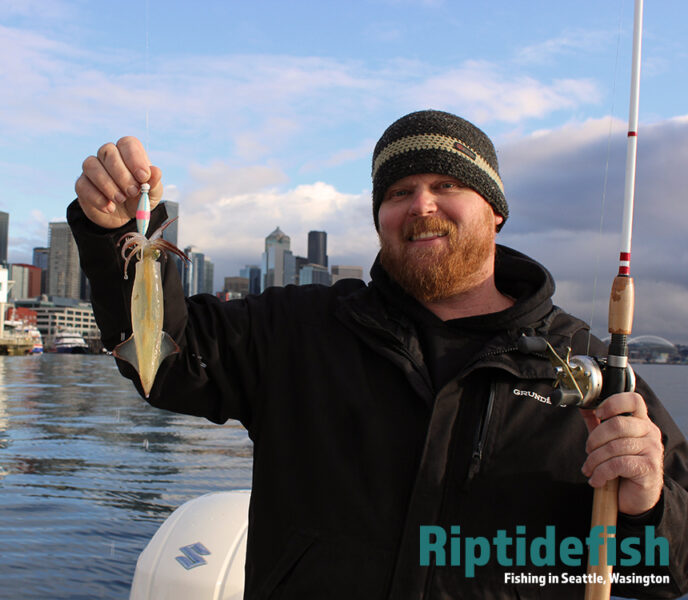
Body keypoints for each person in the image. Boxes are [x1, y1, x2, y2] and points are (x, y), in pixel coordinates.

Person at [68, 110, 688, 599]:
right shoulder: (301, 329)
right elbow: (167, 360)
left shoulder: (588, 367)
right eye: (399, 191)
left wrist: (648, 507)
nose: (421, 205)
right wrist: (115, 233)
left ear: (495, 211)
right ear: (379, 217)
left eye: (447, 185)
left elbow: (670, 573)